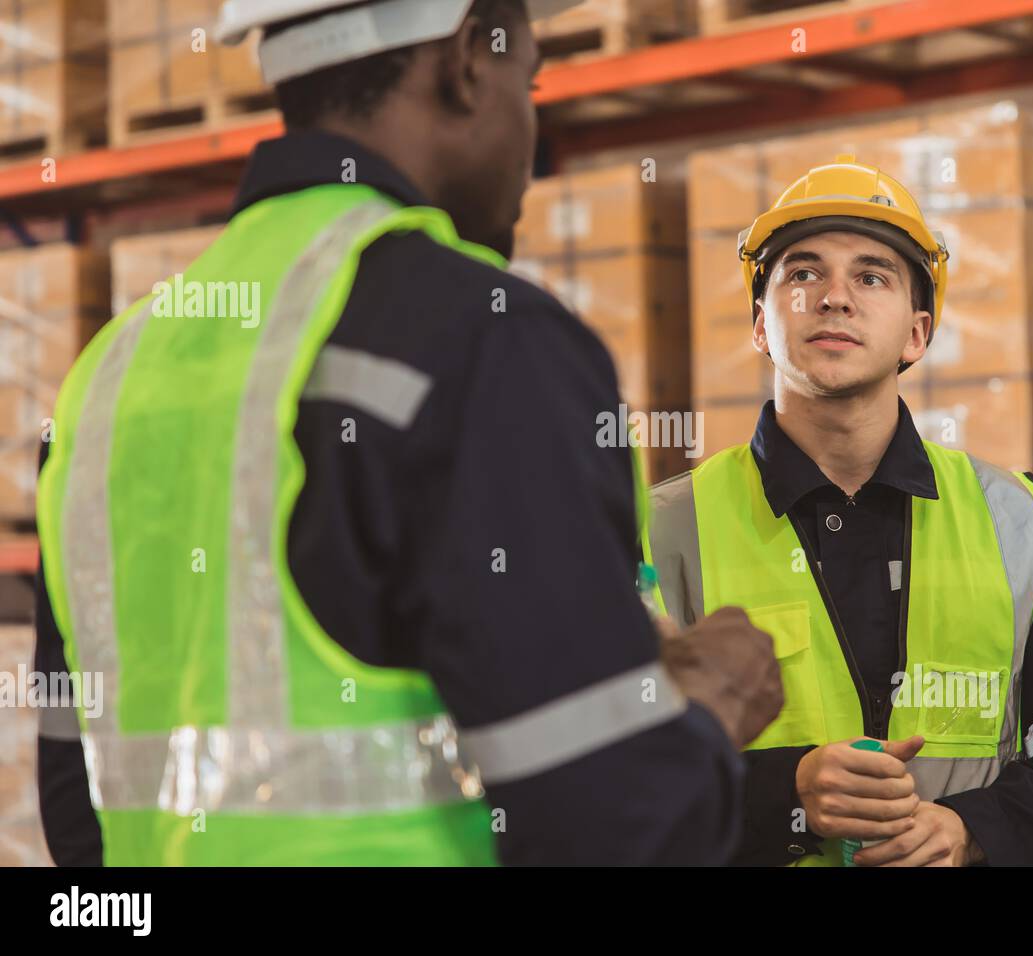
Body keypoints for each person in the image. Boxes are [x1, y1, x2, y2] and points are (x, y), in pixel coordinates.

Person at [34, 0, 780, 866]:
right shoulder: (484, 342)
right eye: (527, 82)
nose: (529, 144)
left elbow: (75, 808)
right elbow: (618, 828)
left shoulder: (110, 375)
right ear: (469, 60)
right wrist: (716, 703)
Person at [645, 155, 1033, 866]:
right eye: (801, 273)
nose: (834, 297)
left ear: (917, 334)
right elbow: (597, 778)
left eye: (871, 276)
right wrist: (786, 796)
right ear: (761, 326)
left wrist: (972, 829)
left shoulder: (1015, 518)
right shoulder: (660, 531)